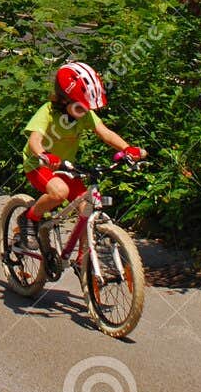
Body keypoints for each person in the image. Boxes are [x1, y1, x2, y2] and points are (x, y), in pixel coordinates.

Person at [17, 62, 145, 274]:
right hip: (38, 165)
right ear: (63, 99)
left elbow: (105, 132)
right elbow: (35, 139)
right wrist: (43, 155)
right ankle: (29, 218)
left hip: (67, 168)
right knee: (59, 192)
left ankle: (83, 259)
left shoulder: (83, 112)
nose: (83, 111)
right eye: (79, 106)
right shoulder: (47, 112)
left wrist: (128, 148)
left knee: (87, 207)